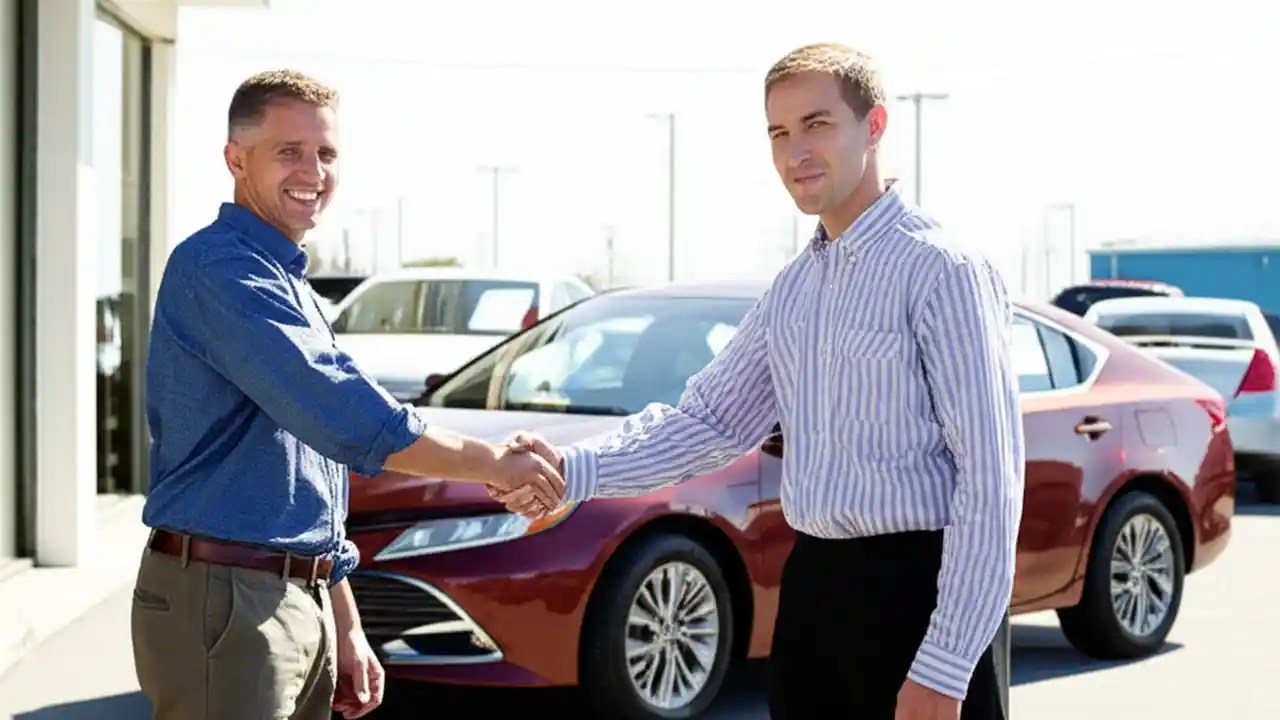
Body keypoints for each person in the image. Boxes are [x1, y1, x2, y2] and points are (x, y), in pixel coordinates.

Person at [495, 43, 1021, 719]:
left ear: (875, 125)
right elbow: (707, 422)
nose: (795, 152)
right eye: (779, 132)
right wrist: (570, 470)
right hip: (813, 600)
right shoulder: (794, 289)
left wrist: (946, 666)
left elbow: (991, 481)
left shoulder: (944, 270)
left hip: (921, 597)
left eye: (817, 124)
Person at [131, 69, 564, 720]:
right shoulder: (220, 269)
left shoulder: (288, 280)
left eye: (326, 153)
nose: (313, 171)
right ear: (235, 160)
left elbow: (316, 469)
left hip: (291, 597)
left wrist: (343, 617)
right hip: (228, 602)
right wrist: (494, 465)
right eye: (289, 151)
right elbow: (344, 415)